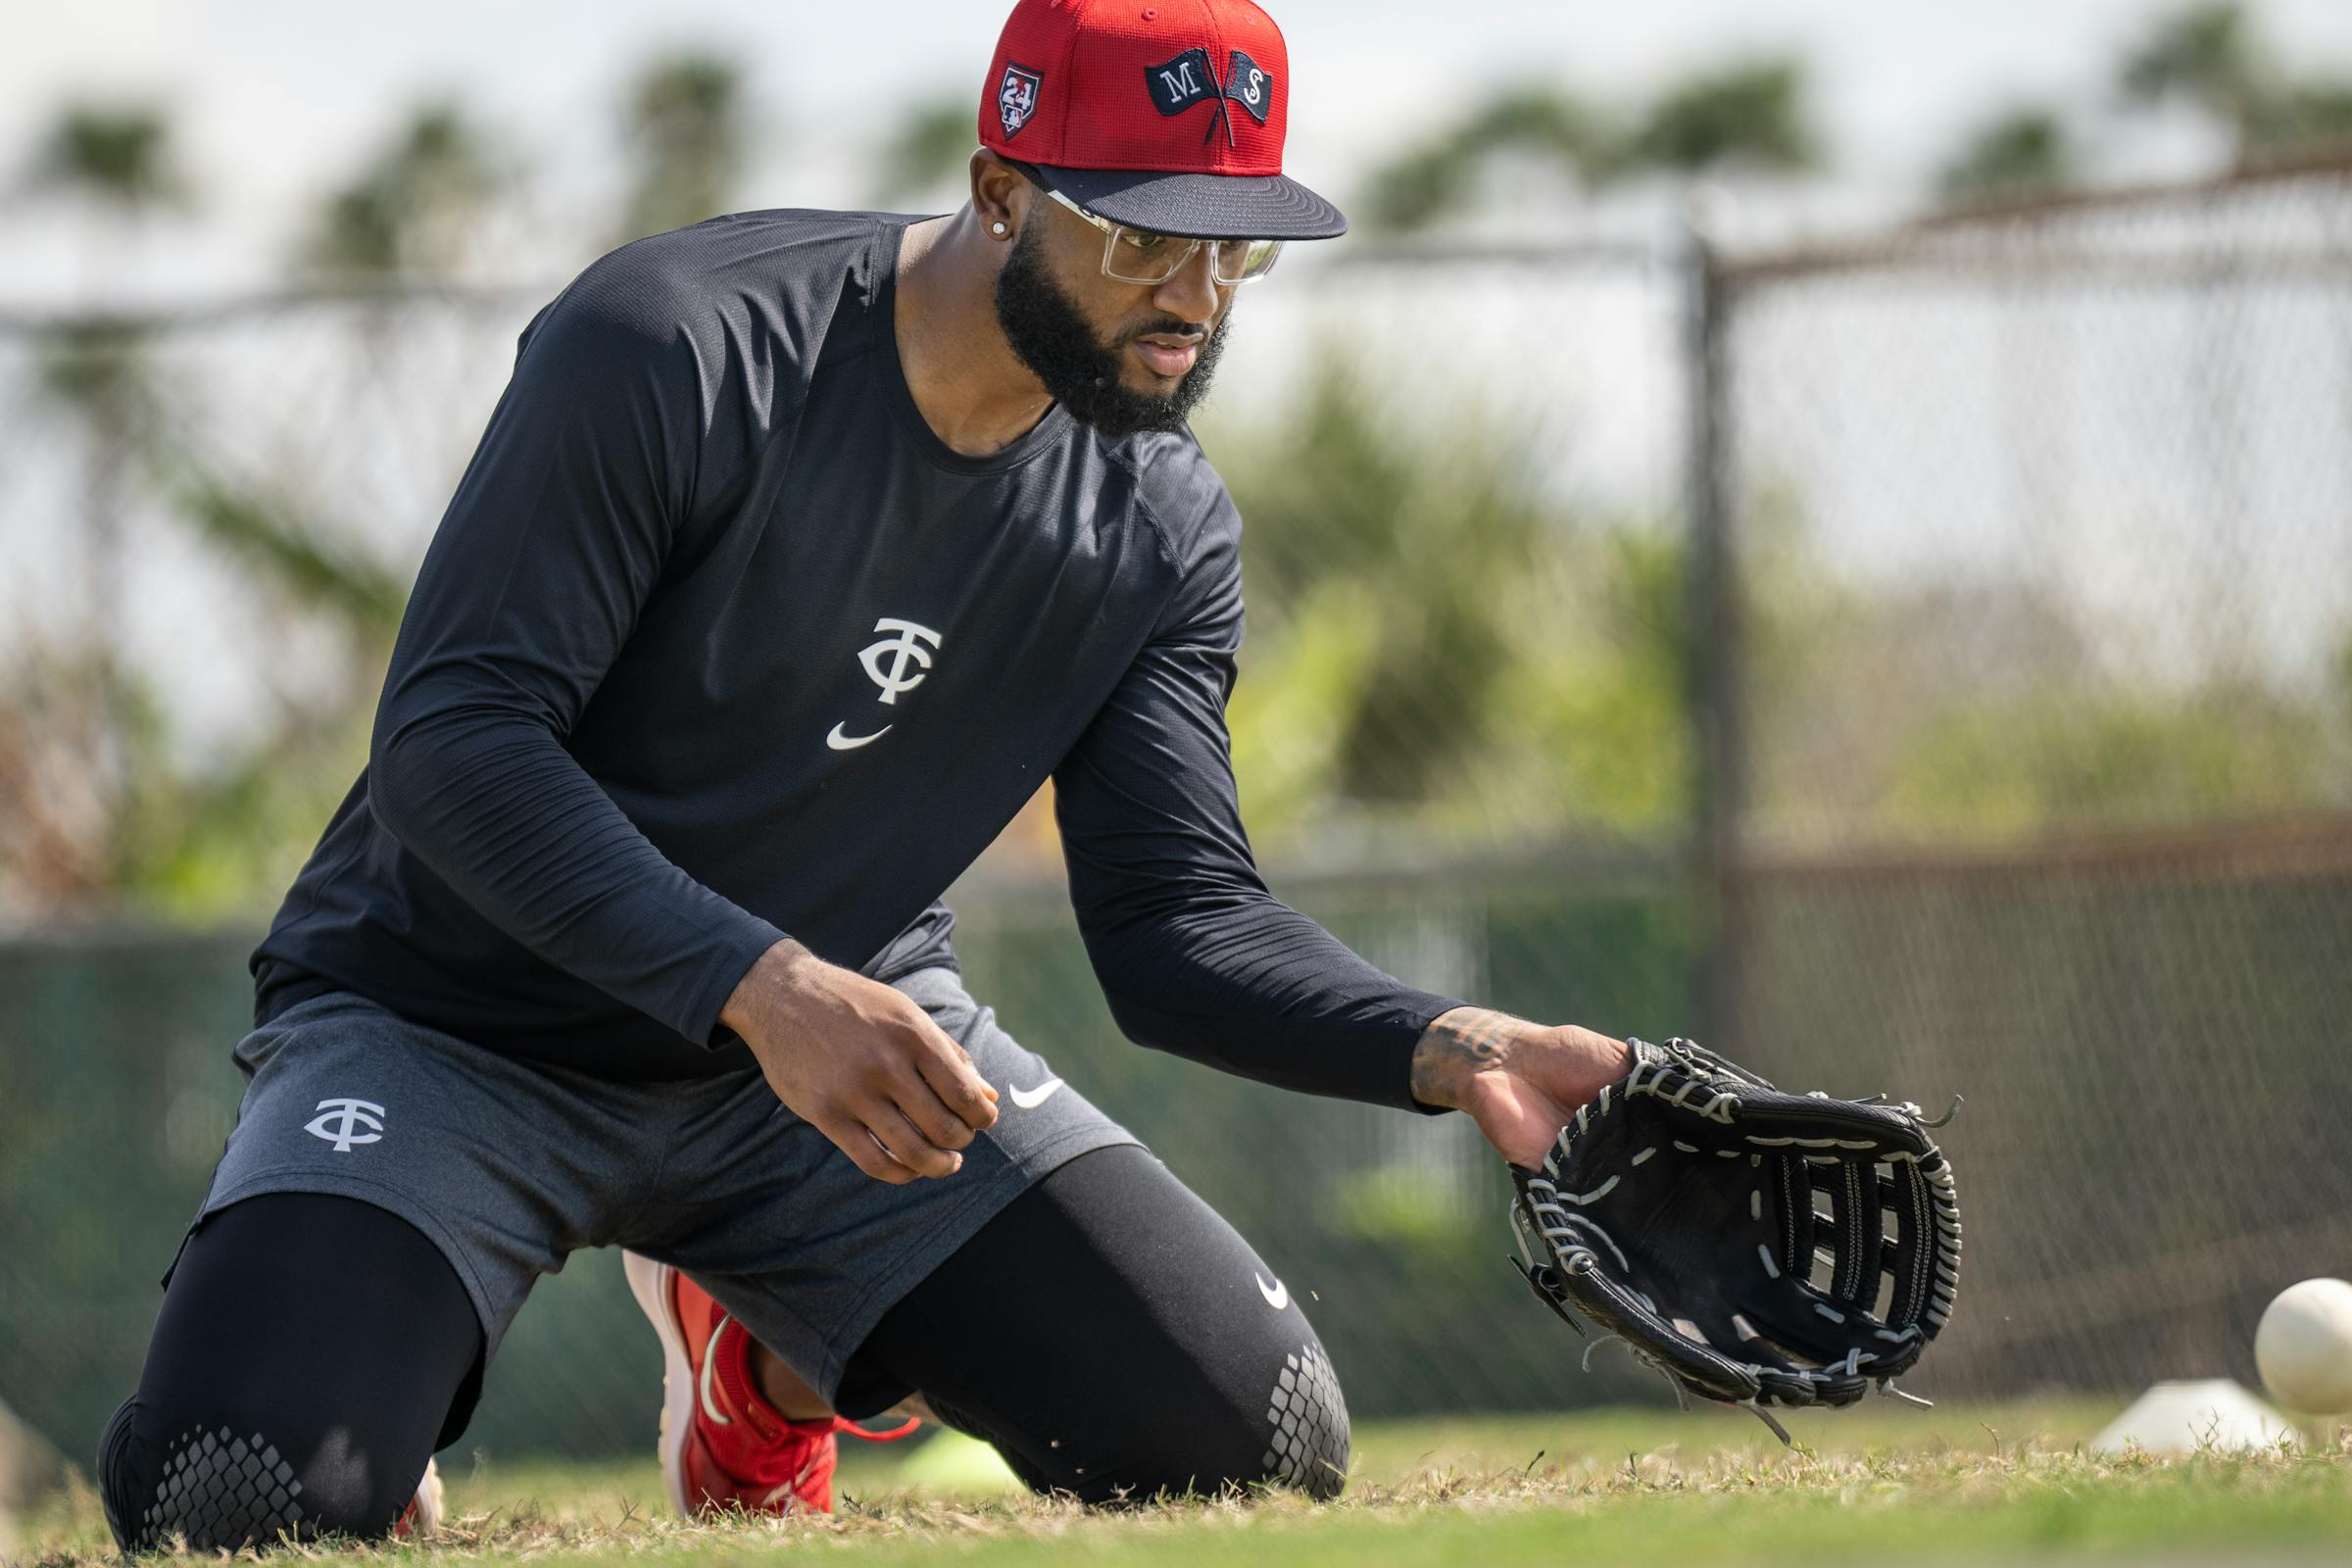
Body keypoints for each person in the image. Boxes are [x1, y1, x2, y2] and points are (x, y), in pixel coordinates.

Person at [95, 0, 1633, 1548]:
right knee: (240, 1505)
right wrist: (763, 988)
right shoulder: (676, 342)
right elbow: (452, 743)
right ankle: (382, 1397)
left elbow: (1180, 926)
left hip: (822, 1083)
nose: (1195, 296)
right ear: (1000, 193)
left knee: (1253, 1442)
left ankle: (756, 1360)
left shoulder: (1158, 527)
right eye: (1142, 237)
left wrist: (1460, 1048)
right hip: (456, 1030)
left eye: (1239, 250)